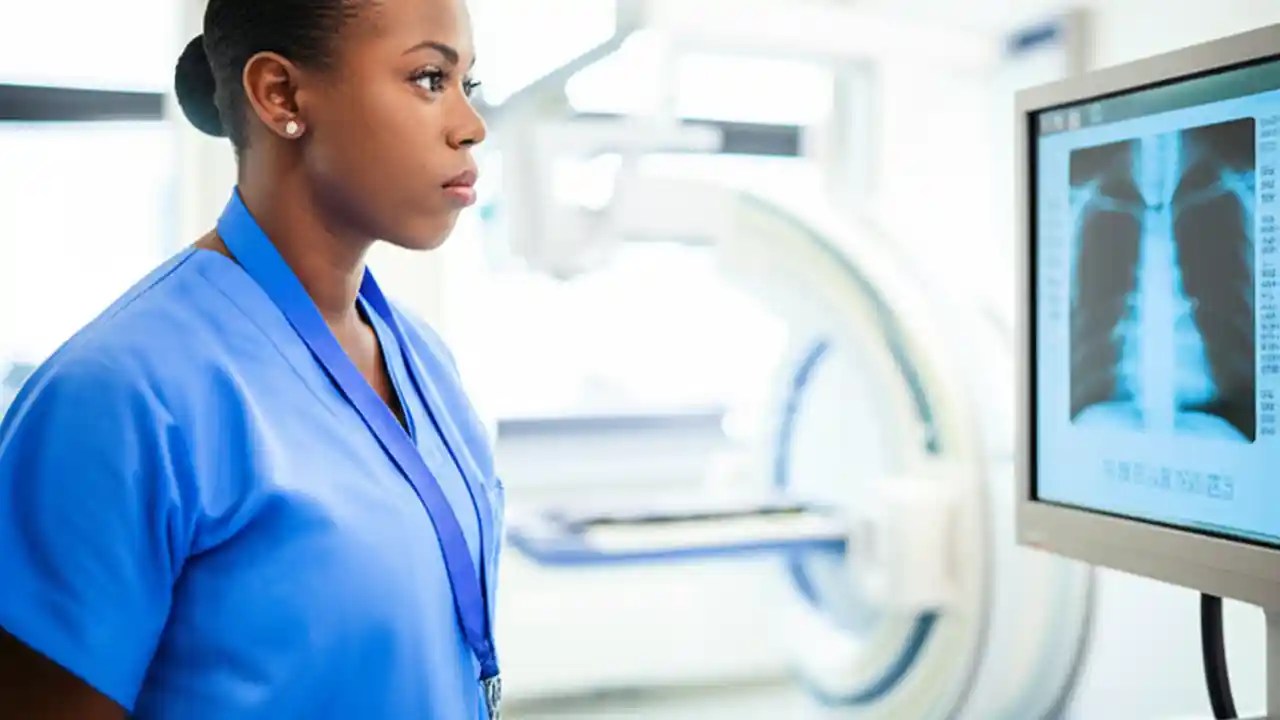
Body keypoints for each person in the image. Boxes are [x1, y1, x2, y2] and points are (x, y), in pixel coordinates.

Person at [0, 0, 505, 717]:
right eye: (429, 78)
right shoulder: (121, 395)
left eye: (467, 84)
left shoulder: (424, 360)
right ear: (281, 95)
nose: (471, 125)